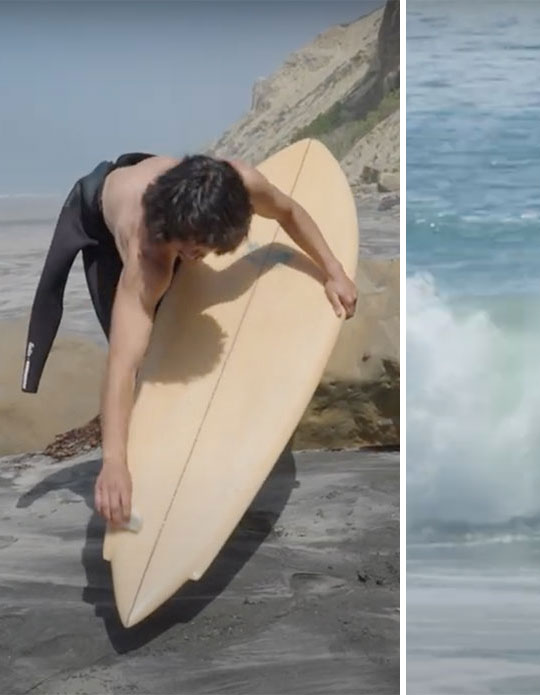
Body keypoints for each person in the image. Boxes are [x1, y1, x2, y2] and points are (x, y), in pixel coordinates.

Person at [21, 152, 358, 526]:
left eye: (202, 249)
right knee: (146, 353)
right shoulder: (146, 256)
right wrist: (113, 463)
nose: (195, 257)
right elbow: (122, 363)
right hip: (99, 208)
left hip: (157, 181)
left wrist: (334, 271)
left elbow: (288, 211)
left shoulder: (243, 182)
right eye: (187, 248)